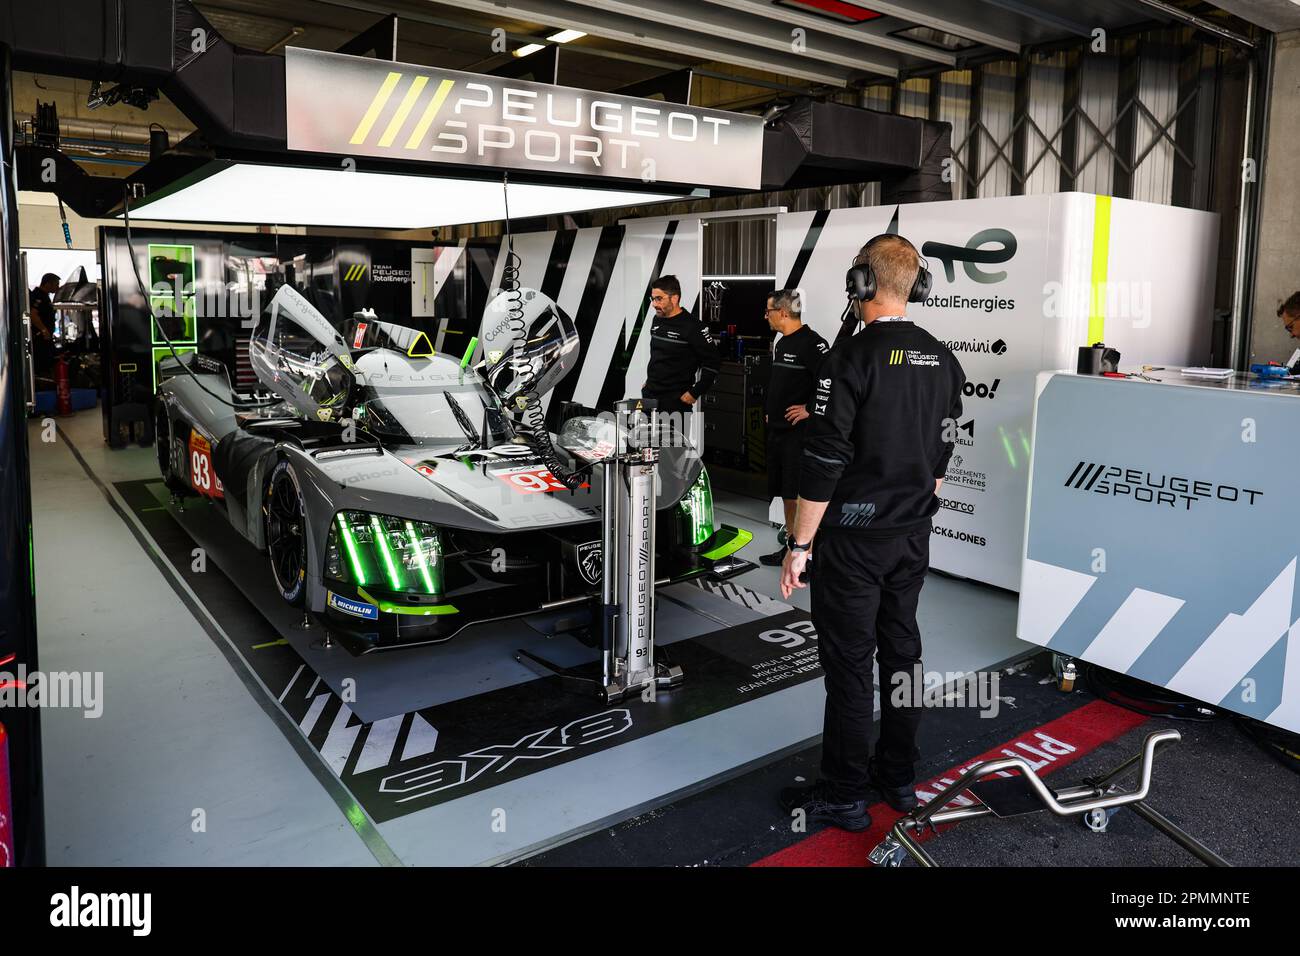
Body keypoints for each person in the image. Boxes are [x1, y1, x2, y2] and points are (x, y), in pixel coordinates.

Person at [778, 234, 964, 832]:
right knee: (903, 652)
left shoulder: (849, 359)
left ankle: (843, 795)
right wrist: (913, 506)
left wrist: (799, 545)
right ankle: (899, 778)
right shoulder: (944, 359)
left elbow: (825, 459)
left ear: (861, 282)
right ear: (917, 285)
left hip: (854, 543)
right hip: (912, 536)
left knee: (851, 665)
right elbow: (944, 451)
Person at [760, 288, 829, 566]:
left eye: (768, 311)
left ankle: (807, 556)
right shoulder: (781, 342)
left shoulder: (813, 344)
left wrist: (809, 409)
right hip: (777, 433)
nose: (766, 316)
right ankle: (791, 547)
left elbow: (829, 383)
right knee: (787, 496)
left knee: (800, 497)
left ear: (783, 312)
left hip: (798, 437)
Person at [641, 275, 720, 417]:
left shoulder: (694, 327)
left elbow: (713, 362)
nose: (654, 304)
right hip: (650, 397)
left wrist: (695, 392)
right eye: (652, 299)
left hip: (676, 402)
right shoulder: (657, 319)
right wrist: (648, 383)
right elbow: (658, 356)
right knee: (644, 432)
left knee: (672, 434)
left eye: (659, 299)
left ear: (674, 298)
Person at [29, 272, 60, 378]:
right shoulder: (38, 296)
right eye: (56, 284)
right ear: (47, 284)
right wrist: (43, 330)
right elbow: (33, 314)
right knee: (42, 365)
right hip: (40, 337)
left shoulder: (45, 296)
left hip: (45, 337)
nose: (58, 287)